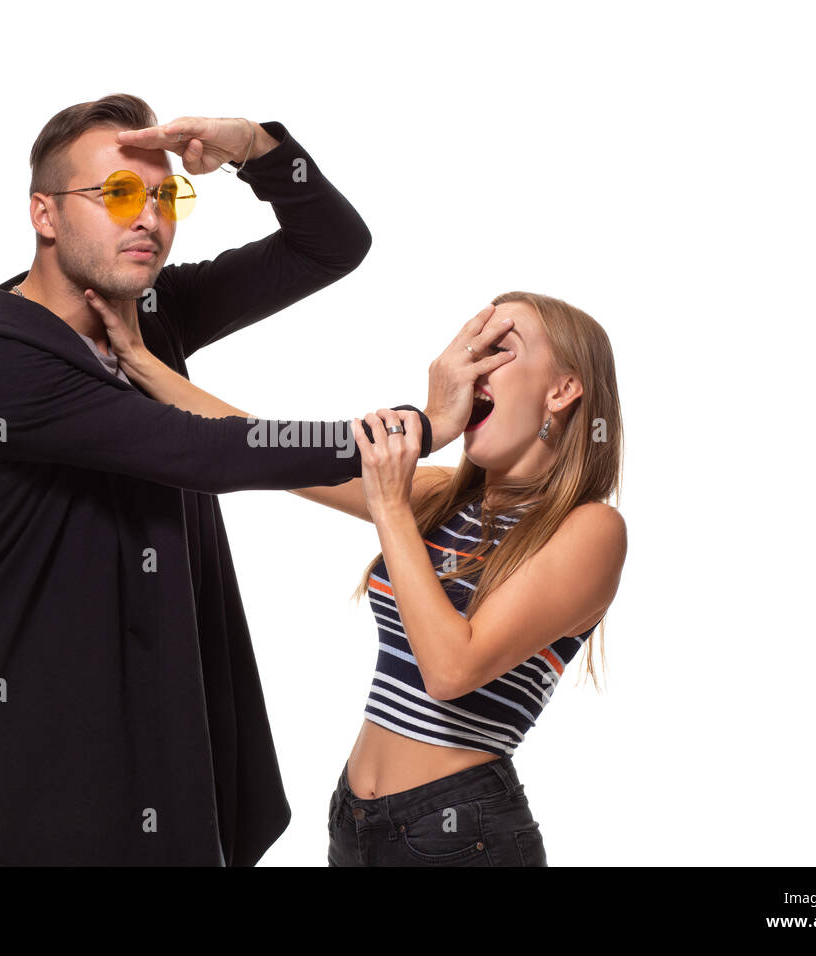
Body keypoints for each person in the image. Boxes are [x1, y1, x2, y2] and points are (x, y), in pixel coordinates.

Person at [0, 93, 446, 866]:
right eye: (117, 194)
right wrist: (415, 428)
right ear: (43, 214)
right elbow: (205, 452)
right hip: (13, 803)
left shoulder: (147, 315)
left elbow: (331, 245)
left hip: (160, 778)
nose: (148, 217)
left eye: (164, 194)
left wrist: (256, 147)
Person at [90, 289, 627, 866]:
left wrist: (391, 505)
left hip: (460, 836)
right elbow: (262, 443)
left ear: (563, 390)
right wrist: (142, 362)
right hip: (356, 823)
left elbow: (451, 669)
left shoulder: (591, 529)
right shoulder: (449, 498)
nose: (473, 365)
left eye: (500, 348)